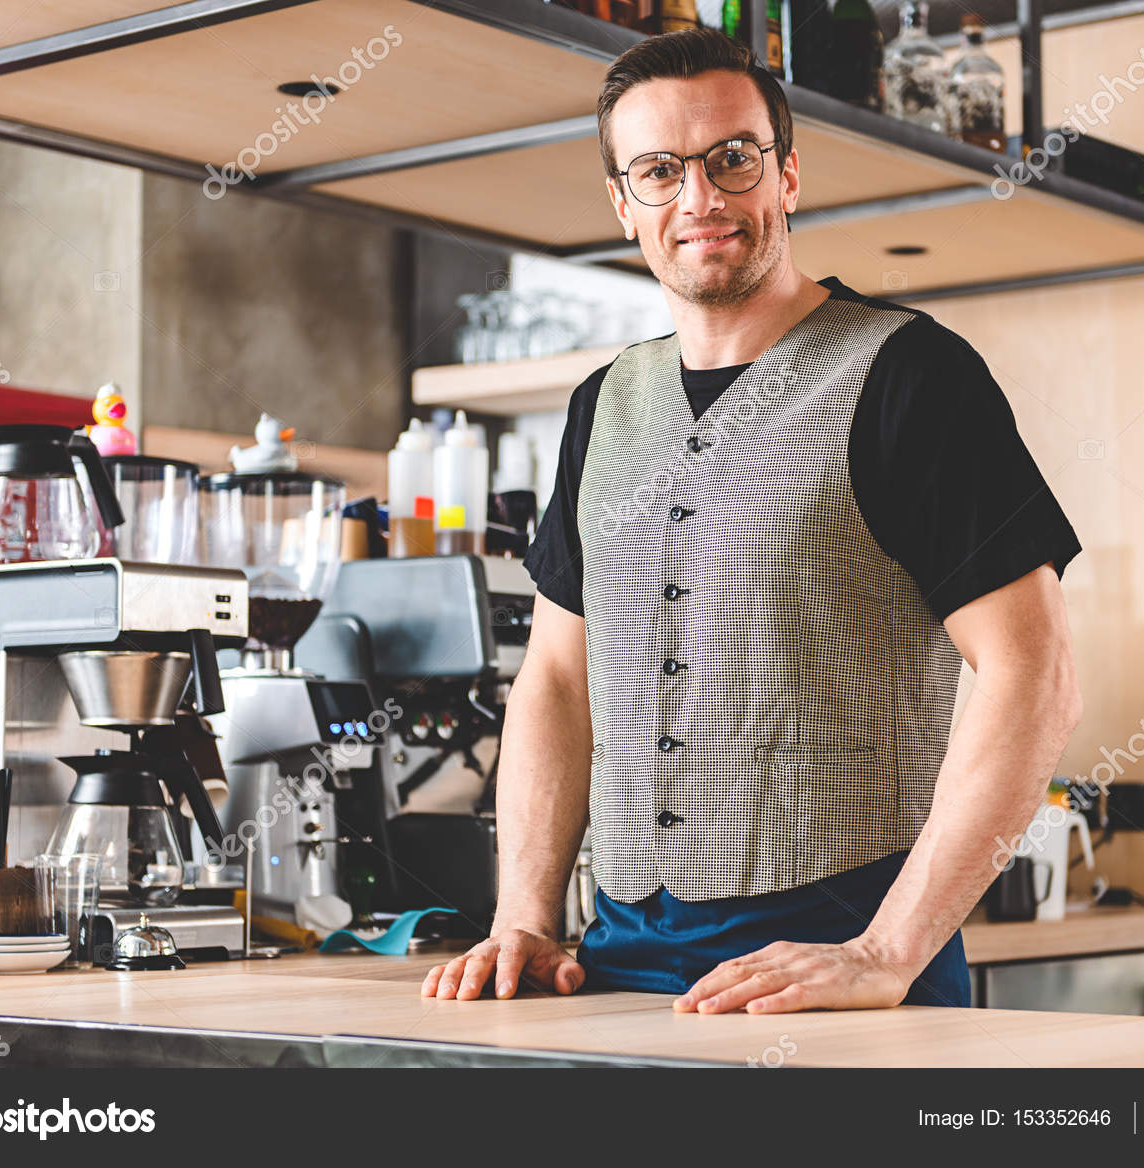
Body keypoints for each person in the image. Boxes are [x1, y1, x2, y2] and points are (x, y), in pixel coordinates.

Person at [422, 27, 1082, 1013]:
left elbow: (1035, 671)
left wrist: (887, 950)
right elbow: (559, 675)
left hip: (842, 967)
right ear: (622, 201)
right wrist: (524, 914)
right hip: (614, 969)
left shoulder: (910, 375)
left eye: (732, 158)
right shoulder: (599, 405)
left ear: (786, 175)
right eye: (658, 171)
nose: (701, 200)